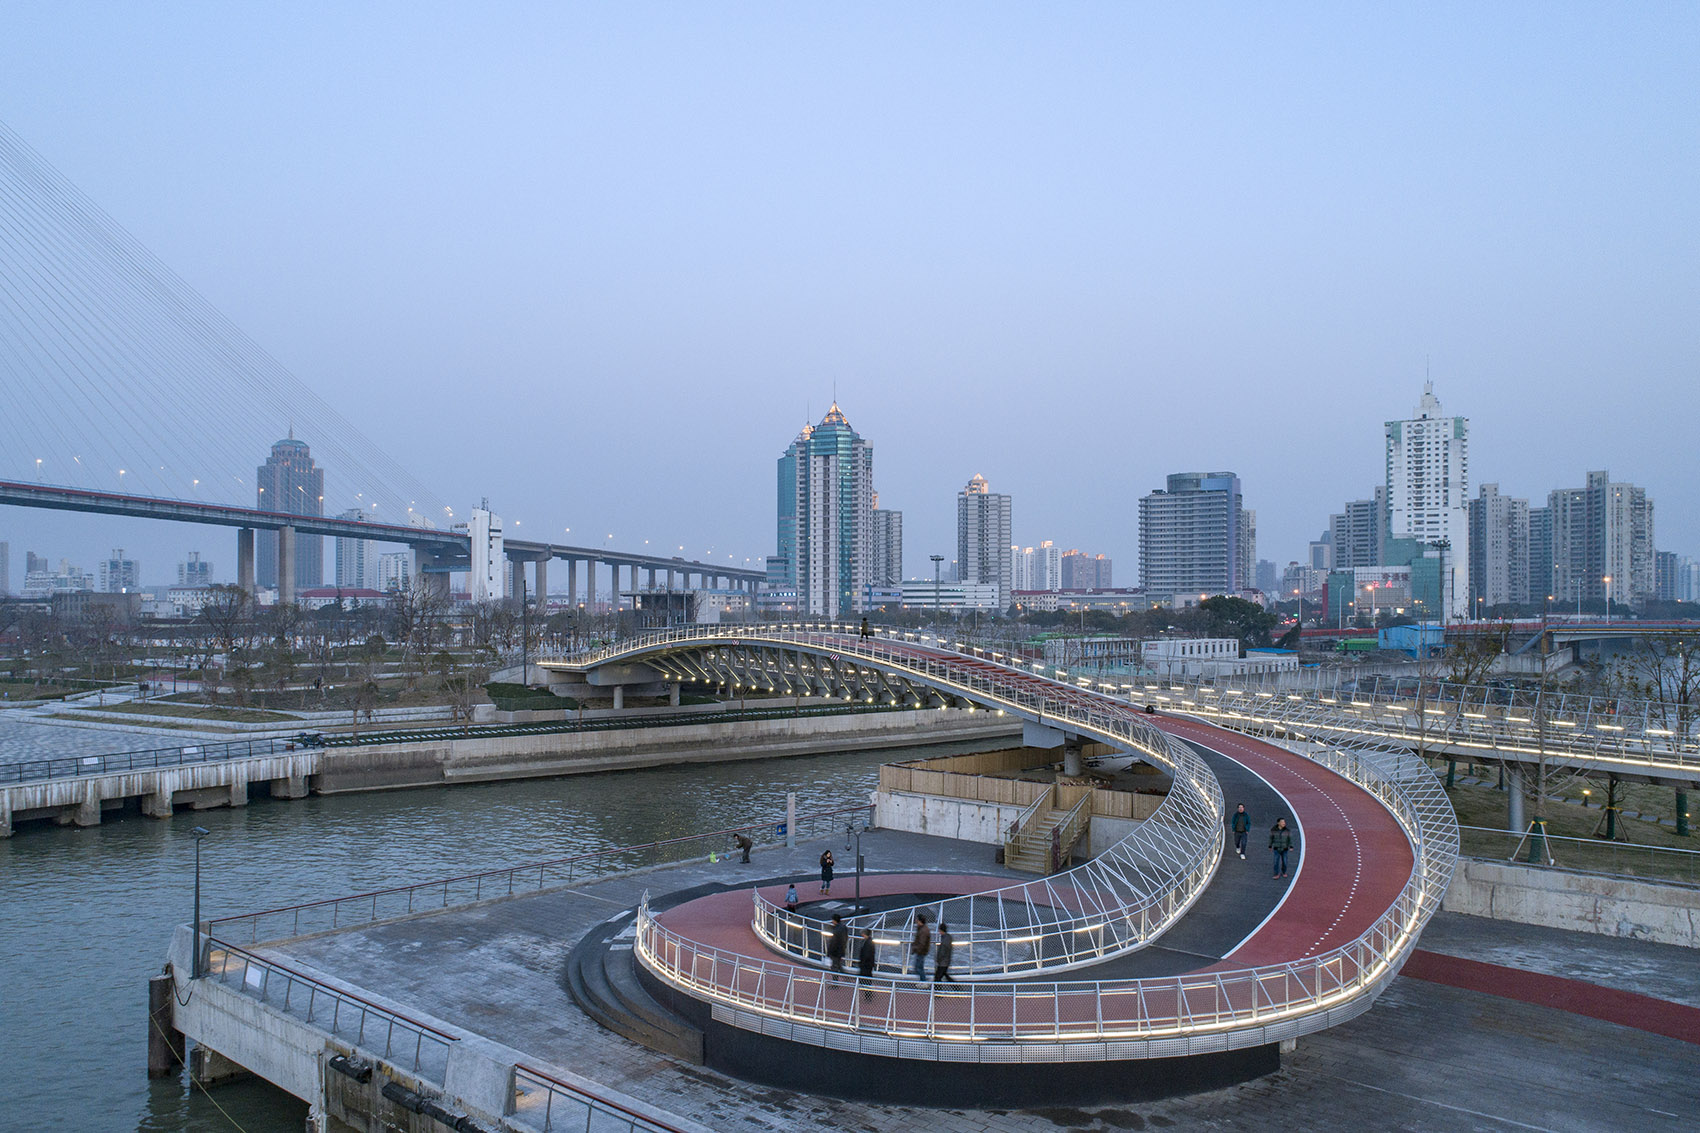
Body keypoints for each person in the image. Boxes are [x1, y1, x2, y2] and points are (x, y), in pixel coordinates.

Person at [826, 914, 848, 981]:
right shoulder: (843, 928)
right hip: (840, 951)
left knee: (834, 966)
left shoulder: (836, 930)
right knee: (838, 965)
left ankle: (835, 982)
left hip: (835, 951)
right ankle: (846, 978)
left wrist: (829, 952)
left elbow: (834, 942)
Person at [857, 927, 877, 999]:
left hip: (866, 965)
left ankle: (868, 994)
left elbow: (867, 955)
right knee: (867, 980)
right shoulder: (869, 942)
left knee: (866, 980)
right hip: (867, 964)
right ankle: (868, 994)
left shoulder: (867, 943)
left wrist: (862, 963)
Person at [909, 914, 931, 981]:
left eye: (916, 919)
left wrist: (915, 948)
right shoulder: (922, 928)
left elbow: (922, 943)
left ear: (919, 920)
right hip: (920, 951)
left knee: (918, 968)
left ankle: (924, 981)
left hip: (921, 951)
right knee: (918, 967)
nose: (915, 921)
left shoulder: (923, 930)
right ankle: (923, 980)